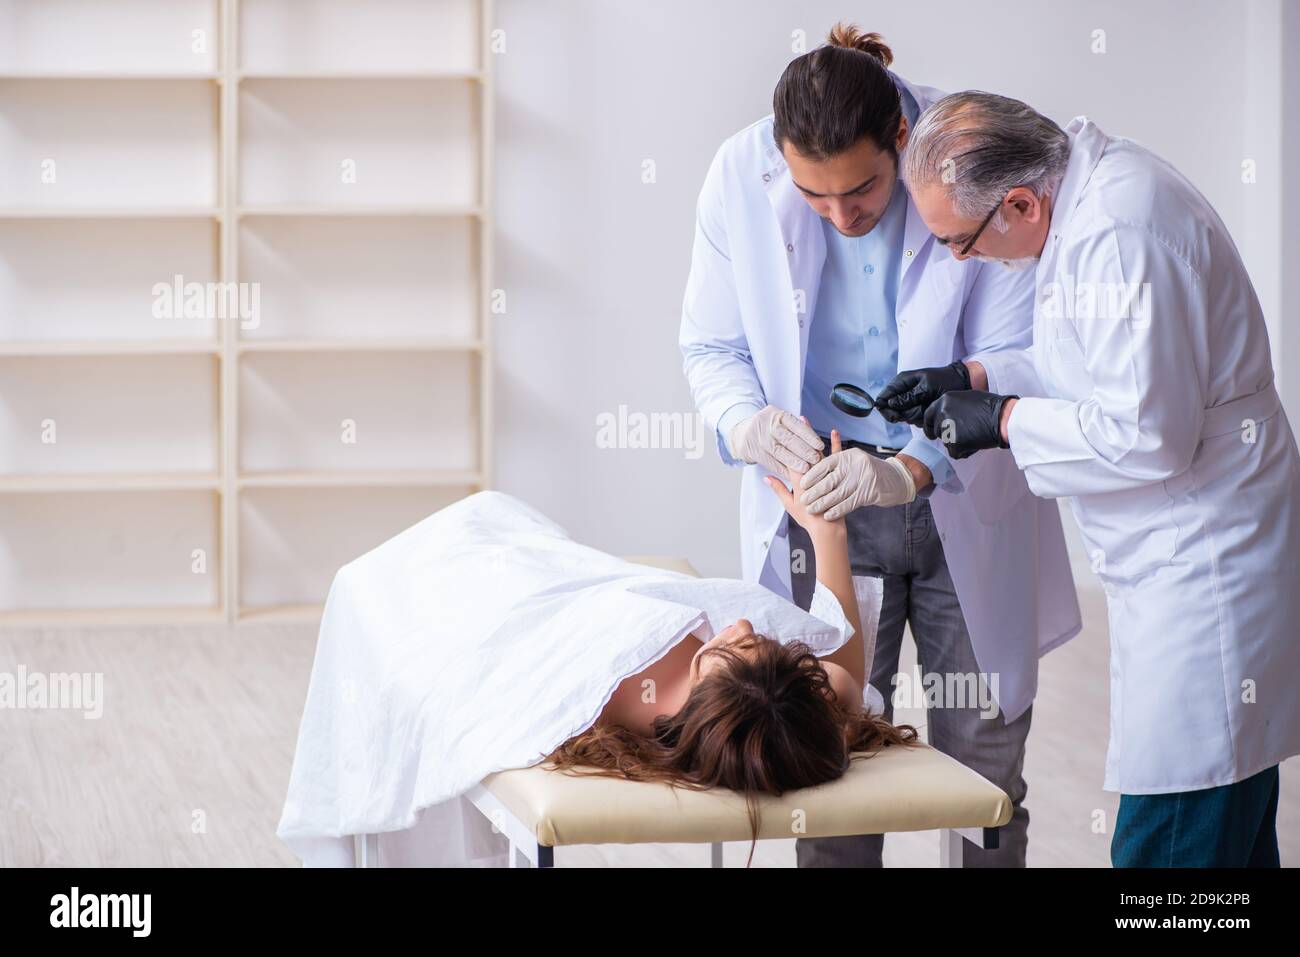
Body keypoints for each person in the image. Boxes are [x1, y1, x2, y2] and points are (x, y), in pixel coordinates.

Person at [679, 24, 1080, 866]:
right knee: (826, 769)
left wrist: (908, 470)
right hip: (818, 502)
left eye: (859, 191)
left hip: (961, 496)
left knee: (987, 769)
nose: (839, 216)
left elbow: (1019, 349)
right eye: (813, 197)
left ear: (901, 138)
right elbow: (711, 347)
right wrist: (745, 423)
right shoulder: (736, 174)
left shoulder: (965, 153)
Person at [883, 90, 1300, 867]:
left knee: (1169, 840)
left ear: (1017, 202)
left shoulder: (1114, 232)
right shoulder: (1082, 200)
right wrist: (971, 372)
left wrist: (1002, 419)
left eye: (960, 243)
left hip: (1204, 560)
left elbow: (1146, 434)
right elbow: (1091, 359)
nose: (959, 261)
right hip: (1191, 546)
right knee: (1232, 835)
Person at [548, 432, 920, 867]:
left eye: (726, 647)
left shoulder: (618, 693)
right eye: (759, 640)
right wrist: (827, 531)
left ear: (700, 688)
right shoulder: (788, 706)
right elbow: (846, 678)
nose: (741, 622)